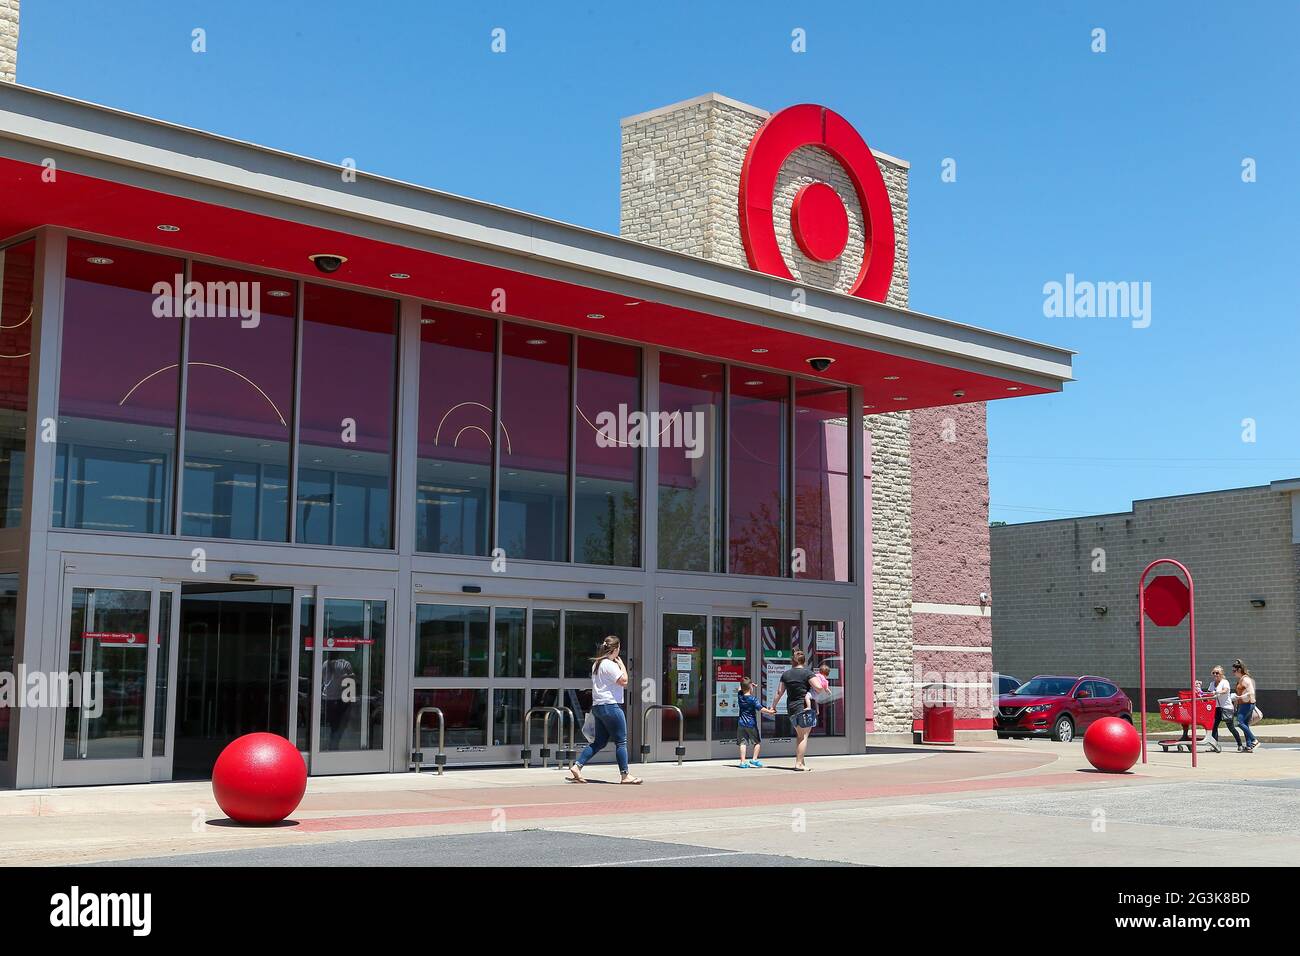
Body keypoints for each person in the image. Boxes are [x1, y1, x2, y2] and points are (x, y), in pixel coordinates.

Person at [568, 636, 642, 784]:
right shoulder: (610, 664)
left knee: (599, 742)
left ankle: (577, 766)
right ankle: (625, 775)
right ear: (615, 649)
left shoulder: (596, 664)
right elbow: (624, 682)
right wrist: (623, 667)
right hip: (611, 706)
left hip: (598, 706)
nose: (619, 652)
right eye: (619, 648)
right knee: (621, 741)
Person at [773, 649, 817, 771]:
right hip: (803, 708)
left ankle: (801, 762)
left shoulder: (786, 674)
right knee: (803, 736)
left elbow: (779, 692)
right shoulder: (807, 673)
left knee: (799, 735)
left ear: (793, 661)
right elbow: (818, 687)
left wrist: (773, 706)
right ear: (804, 661)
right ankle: (798, 764)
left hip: (791, 708)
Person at [735, 676, 775, 768]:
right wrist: (770, 712)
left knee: (742, 743)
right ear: (750, 687)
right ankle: (754, 759)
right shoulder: (753, 699)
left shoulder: (740, 696)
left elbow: (740, 688)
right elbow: (761, 709)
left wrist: (748, 684)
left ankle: (742, 762)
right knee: (756, 742)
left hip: (741, 723)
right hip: (751, 724)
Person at [1208, 665, 1241, 749]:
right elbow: (1208, 694)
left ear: (1221, 674)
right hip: (1217, 708)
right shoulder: (1212, 684)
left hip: (1226, 707)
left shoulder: (1224, 682)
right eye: (1213, 673)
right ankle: (1215, 745)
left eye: (1217, 673)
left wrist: (1217, 692)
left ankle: (1239, 744)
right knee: (1214, 727)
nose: (1215, 674)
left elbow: (1225, 690)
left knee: (1231, 727)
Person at [1231, 660, 1258, 753]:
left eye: (1234, 671)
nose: (1233, 673)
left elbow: (1251, 692)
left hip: (1248, 704)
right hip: (1243, 704)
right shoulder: (1241, 680)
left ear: (1239, 670)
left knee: (1239, 722)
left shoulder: (1245, 679)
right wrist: (1236, 704)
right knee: (1245, 724)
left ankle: (1254, 740)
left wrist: (1239, 697)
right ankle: (1249, 746)